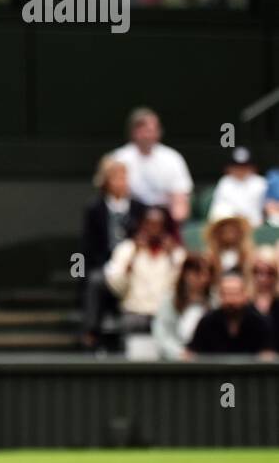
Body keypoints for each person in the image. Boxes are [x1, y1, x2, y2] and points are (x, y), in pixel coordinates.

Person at [81, 155, 145, 350]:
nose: (121, 182)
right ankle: (92, 333)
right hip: (105, 265)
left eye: (124, 177)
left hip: (134, 265)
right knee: (95, 280)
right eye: (116, 178)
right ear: (106, 182)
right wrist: (107, 266)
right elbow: (89, 245)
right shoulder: (94, 209)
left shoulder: (139, 208)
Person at [104, 206, 185, 343]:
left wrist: (172, 257)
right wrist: (133, 257)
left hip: (166, 314)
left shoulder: (176, 253)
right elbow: (116, 287)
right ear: (142, 225)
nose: (153, 229)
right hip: (134, 312)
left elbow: (183, 287)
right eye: (149, 223)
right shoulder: (126, 250)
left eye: (158, 224)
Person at [109, 107, 193, 224]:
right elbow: (112, 197)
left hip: (164, 219)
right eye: (145, 130)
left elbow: (180, 200)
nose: (149, 134)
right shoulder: (119, 158)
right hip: (130, 219)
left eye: (153, 129)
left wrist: (173, 225)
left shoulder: (172, 158)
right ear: (134, 131)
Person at [186, 273, 277, 360]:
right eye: (226, 294)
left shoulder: (260, 323)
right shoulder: (207, 322)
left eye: (235, 294)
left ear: (245, 295)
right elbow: (191, 353)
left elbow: (268, 356)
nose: (231, 300)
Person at [151, 254, 214, 361]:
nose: (203, 279)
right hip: (176, 361)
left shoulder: (215, 301)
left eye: (206, 274)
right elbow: (162, 335)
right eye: (197, 274)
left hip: (207, 360)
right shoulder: (169, 301)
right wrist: (179, 353)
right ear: (185, 274)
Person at [207, 148, 266, 226]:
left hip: (254, 226)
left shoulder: (260, 183)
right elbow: (216, 212)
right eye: (236, 166)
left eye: (244, 166)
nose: (240, 169)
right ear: (229, 167)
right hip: (229, 226)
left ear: (252, 167)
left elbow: (266, 210)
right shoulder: (225, 182)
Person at [203, 211, 253, 279]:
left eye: (232, 227)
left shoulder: (248, 255)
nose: (229, 231)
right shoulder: (210, 257)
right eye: (225, 228)